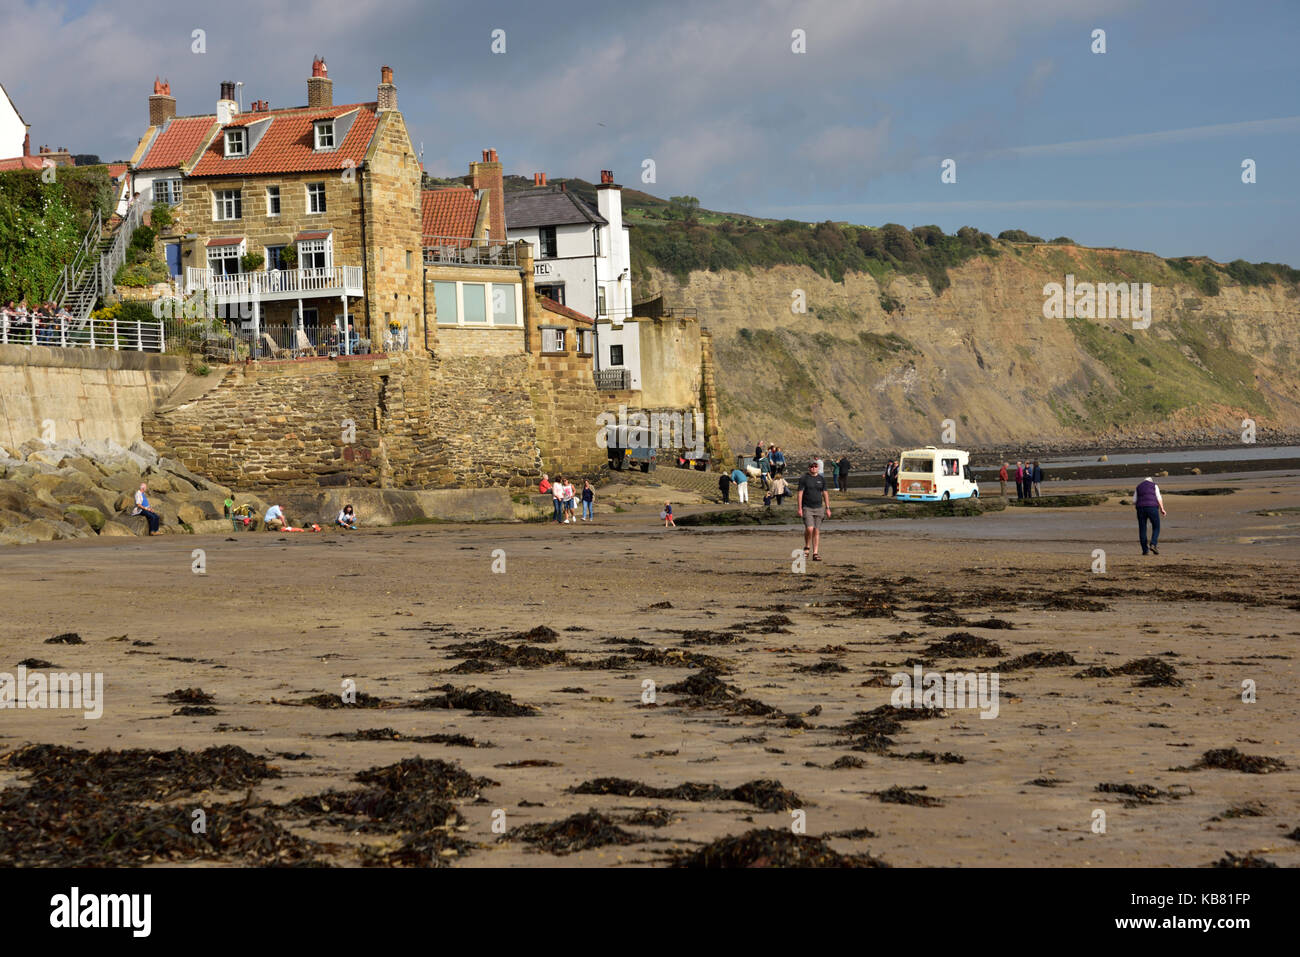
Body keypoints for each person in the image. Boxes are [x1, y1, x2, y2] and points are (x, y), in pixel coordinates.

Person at [797, 460, 830, 561]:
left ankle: (815, 553)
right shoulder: (804, 478)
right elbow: (800, 493)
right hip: (807, 507)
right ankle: (807, 546)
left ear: (818, 468)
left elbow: (825, 493)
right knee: (809, 528)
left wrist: (828, 508)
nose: (814, 468)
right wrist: (799, 508)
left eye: (815, 466)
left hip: (819, 508)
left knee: (816, 530)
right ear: (809, 468)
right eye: (812, 466)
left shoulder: (821, 479)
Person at [1135, 476, 1167, 555]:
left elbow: (1134, 500)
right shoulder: (1154, 485)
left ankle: (1145, 550)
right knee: (1156, 527)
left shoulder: (1138, 486)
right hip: (1152, 508)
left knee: (1142, 529)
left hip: (1140, 509)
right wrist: (1162, 509)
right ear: (1151, 481)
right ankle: (1153, 544)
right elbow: (1158, 497)